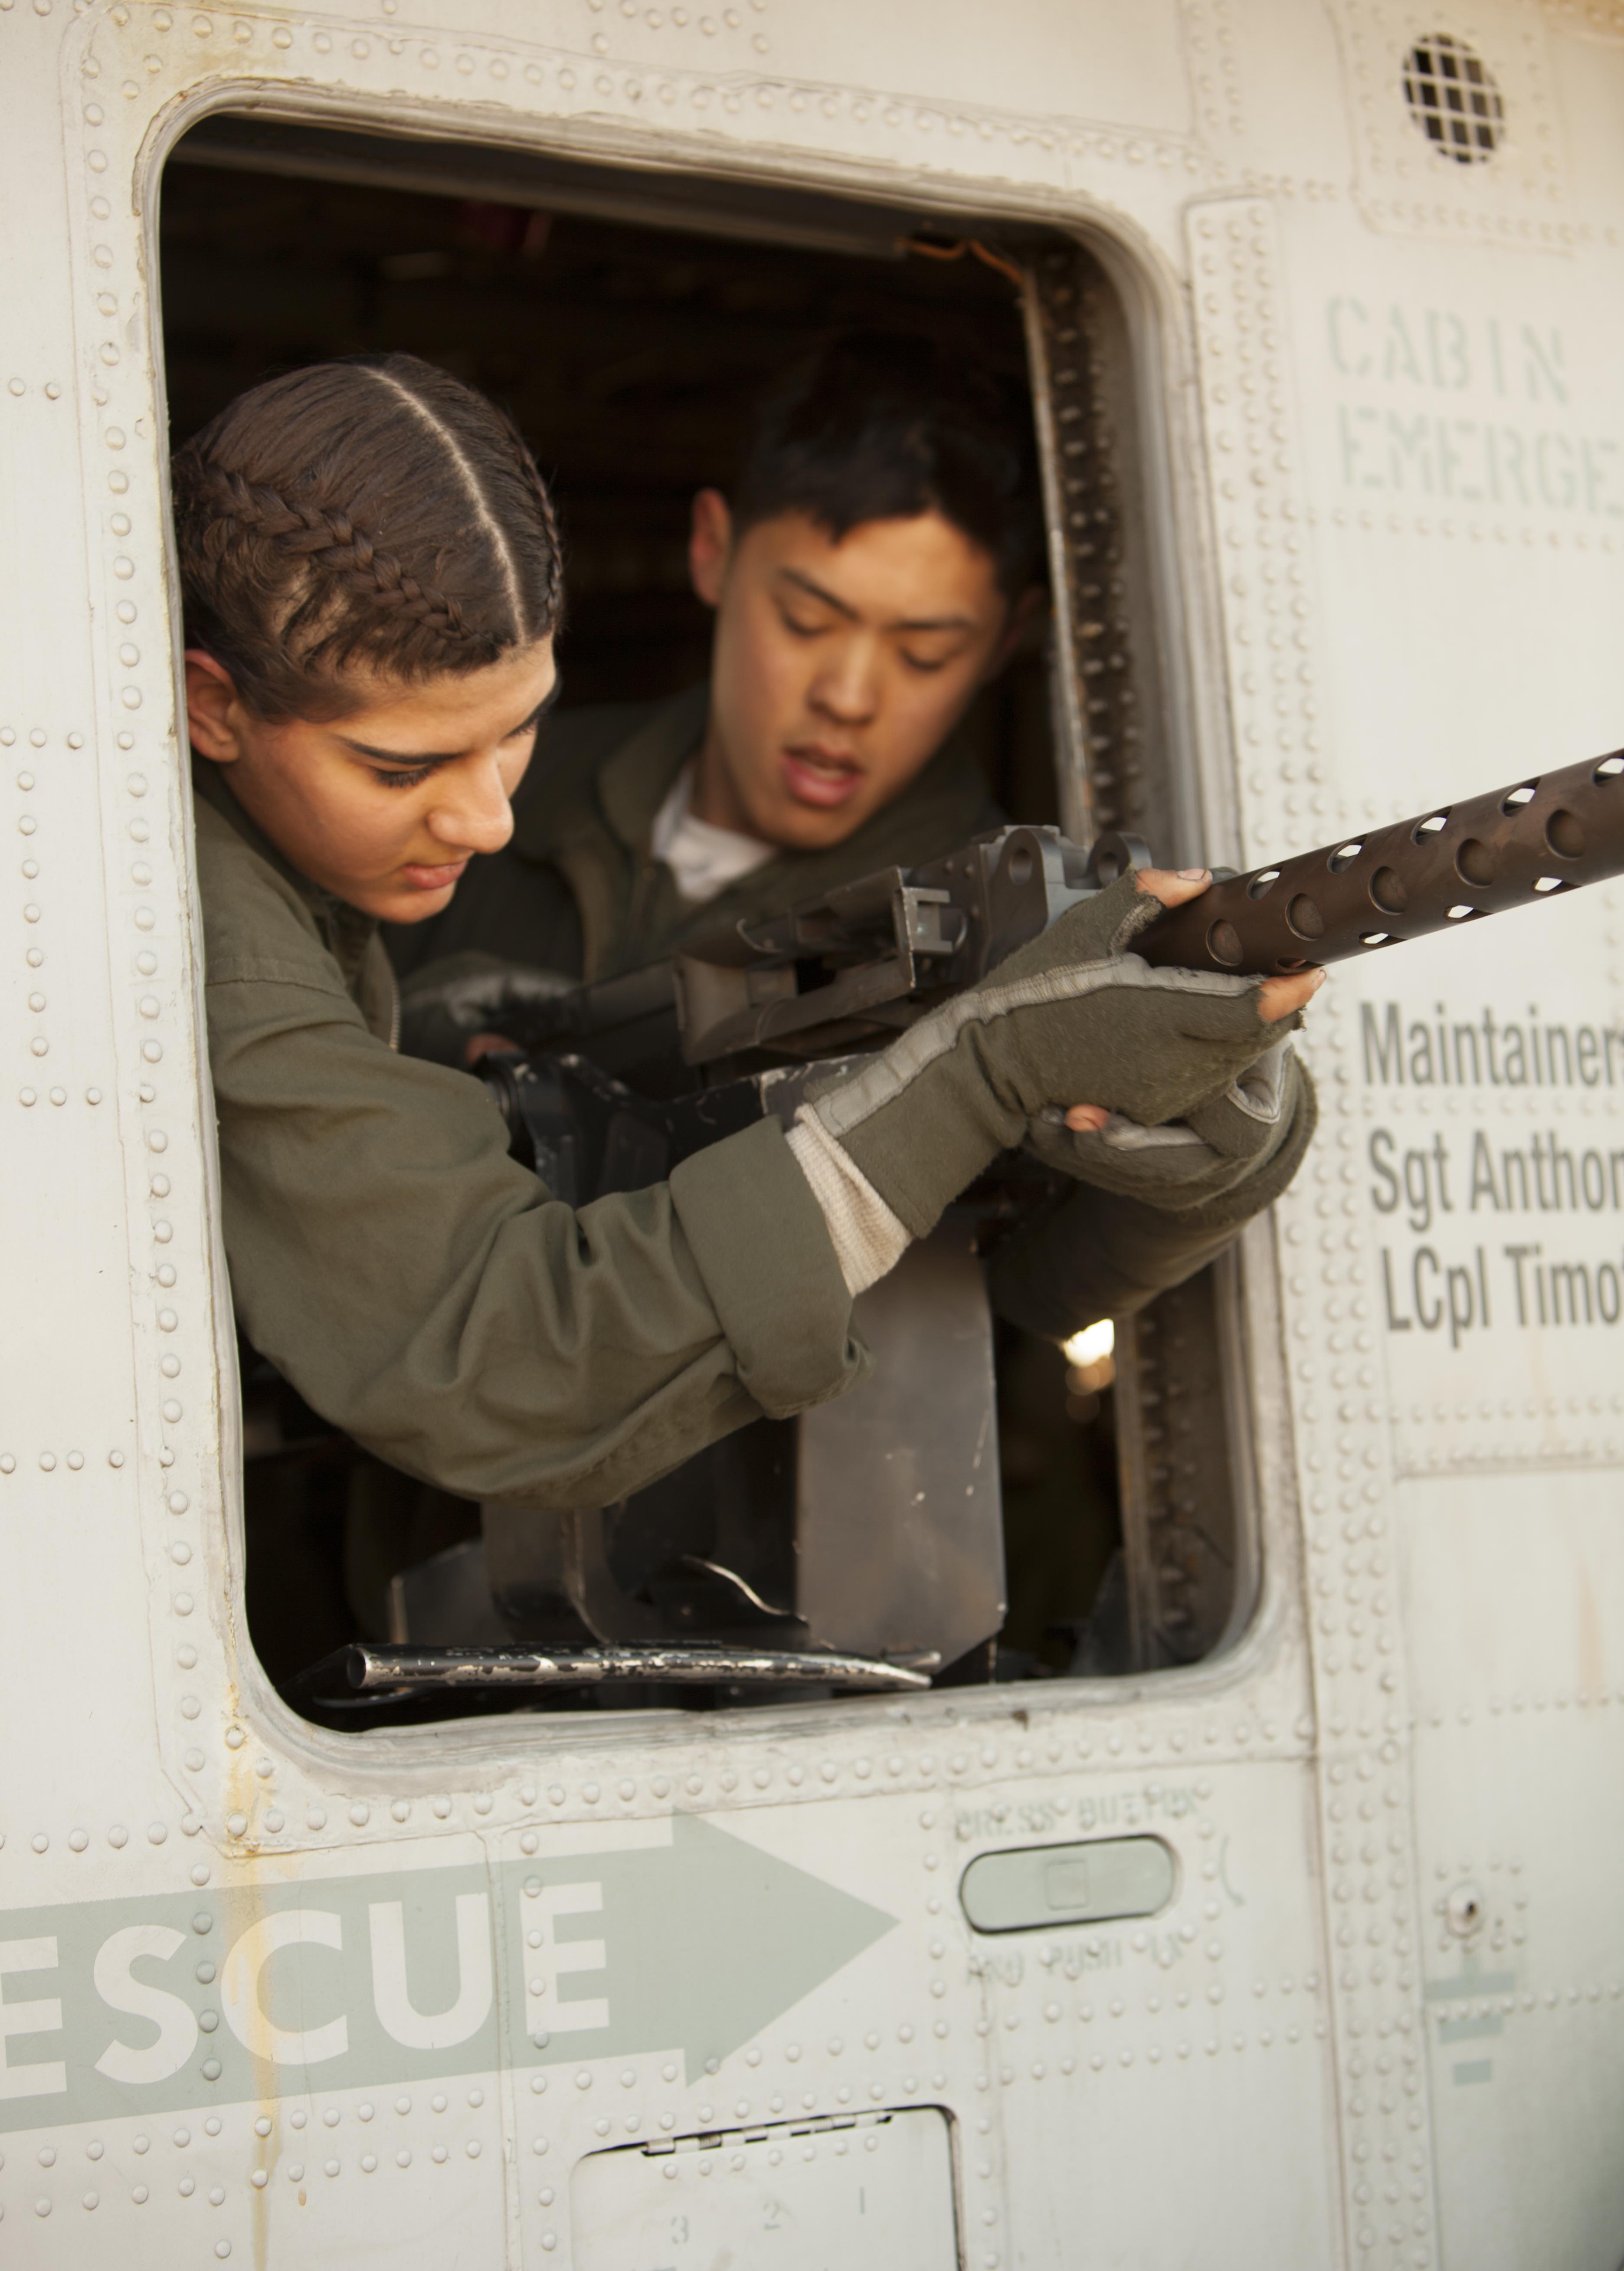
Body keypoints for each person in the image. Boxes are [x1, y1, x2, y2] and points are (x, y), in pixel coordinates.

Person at [177, 350, 1318, 1548]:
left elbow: (1023, 1289)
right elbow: (487, 1344)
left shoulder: (1002, 936)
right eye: (403, 768)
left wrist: (1219, 1148)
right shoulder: (264, 904)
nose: (487, 820)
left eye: (518, 731)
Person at [384, 334, 1045, 1009]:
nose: (847, 699)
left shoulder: (1003, 956)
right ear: (713, 552)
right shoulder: (501, 790)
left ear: (1005, 642)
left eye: (923, 655)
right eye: (804, 620)